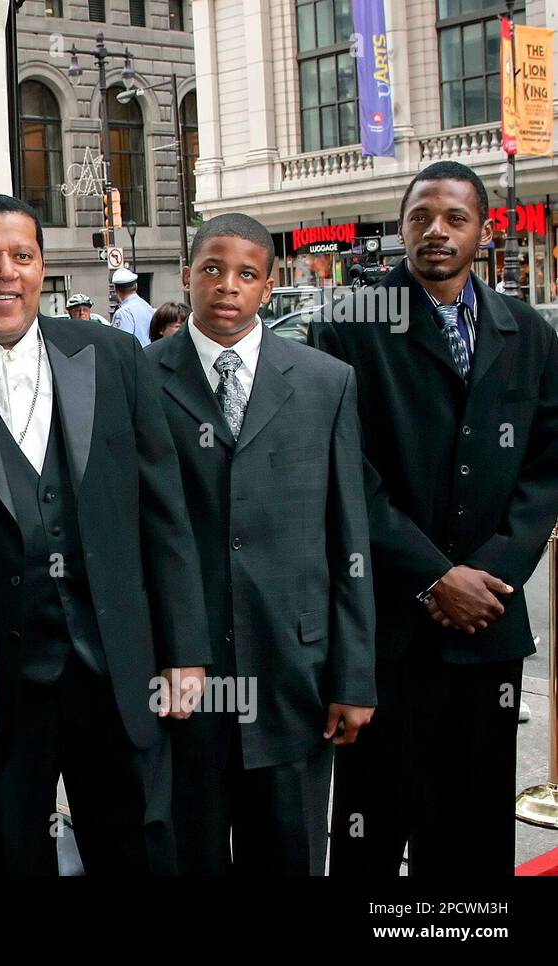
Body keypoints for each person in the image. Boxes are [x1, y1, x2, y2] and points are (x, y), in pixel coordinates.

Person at [0, 194, 210, 876]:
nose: (5, 272)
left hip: (116, 667)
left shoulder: (112, 354)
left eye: (21, 256)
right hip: (0, 683)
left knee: (139, 850)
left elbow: (164, 510)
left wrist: (185, 648)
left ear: (42, 268)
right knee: (12, 856)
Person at [312, 160, 558, 876]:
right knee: (371, 829)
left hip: (488, 628)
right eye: (420, 217)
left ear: (484, 229)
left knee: (472, 838)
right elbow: (347, 474)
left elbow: (546, 466)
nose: (436, 231)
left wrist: (491, 574)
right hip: (387, 632)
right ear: (401, 228)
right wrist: (432, 577)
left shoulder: (528, 333)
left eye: (455, 217)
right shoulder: (349, 328)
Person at [147, 214, 376, 875]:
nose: (228, 285)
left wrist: (353, 676)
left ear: (269, 287)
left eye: (247, 274)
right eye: (212, 269)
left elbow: (349, 536)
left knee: (289, 852)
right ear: (186, 275)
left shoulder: (327, 381)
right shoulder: (137, 377)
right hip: (181, 678)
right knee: (187, 855)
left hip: (293, 675)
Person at [111, 267, 155, 346]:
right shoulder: (147, 307)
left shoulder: (123, 313)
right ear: (136, 286)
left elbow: (122, 343)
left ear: (115, 289)